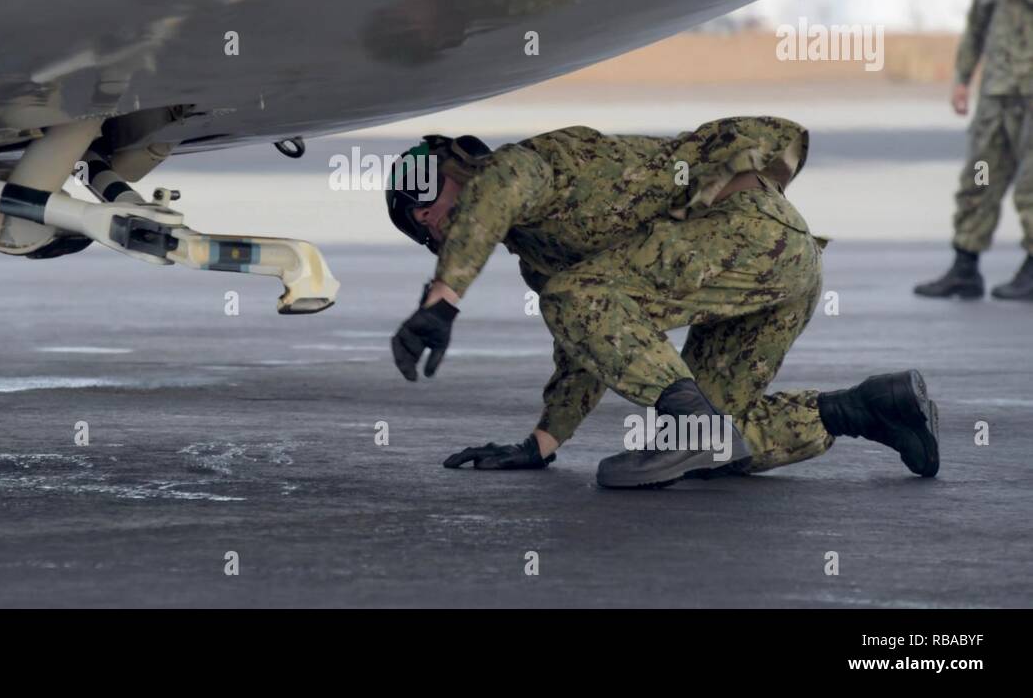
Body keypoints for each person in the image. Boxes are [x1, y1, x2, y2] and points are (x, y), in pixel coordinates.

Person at [385, 119, 940, 488]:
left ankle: (692, 419)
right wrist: (541, 443)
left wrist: (444, 298)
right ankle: (871, 408)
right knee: (712, 442)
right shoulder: (543, 258)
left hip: (747, 233)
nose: (427, 220)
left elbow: (497, 195)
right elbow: (588, 345)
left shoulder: (530, 166)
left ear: (457, 168)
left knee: (574, 298)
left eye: (424, 198)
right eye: (417, 226)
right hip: (775, 271)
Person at [915, 0, 1033, 301]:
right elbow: (975, 29)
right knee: (980, 176)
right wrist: (963, 80)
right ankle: (965, 265)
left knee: (1031, 186)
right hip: (998, 93)